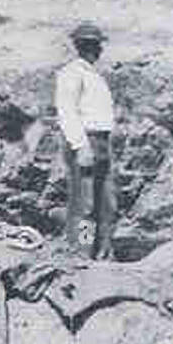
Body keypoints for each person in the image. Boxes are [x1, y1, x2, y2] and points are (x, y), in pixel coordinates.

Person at [55, 21, 116, 259]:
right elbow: (67, 111)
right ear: (86, 46)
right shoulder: (71, 73)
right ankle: (82, 252)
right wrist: (81, 147)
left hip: (101, 141)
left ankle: (103, 252)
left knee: (106, 202)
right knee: (85, 205)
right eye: (95, 45)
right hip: (85, 142)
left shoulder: (93, 75)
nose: (98, 50)